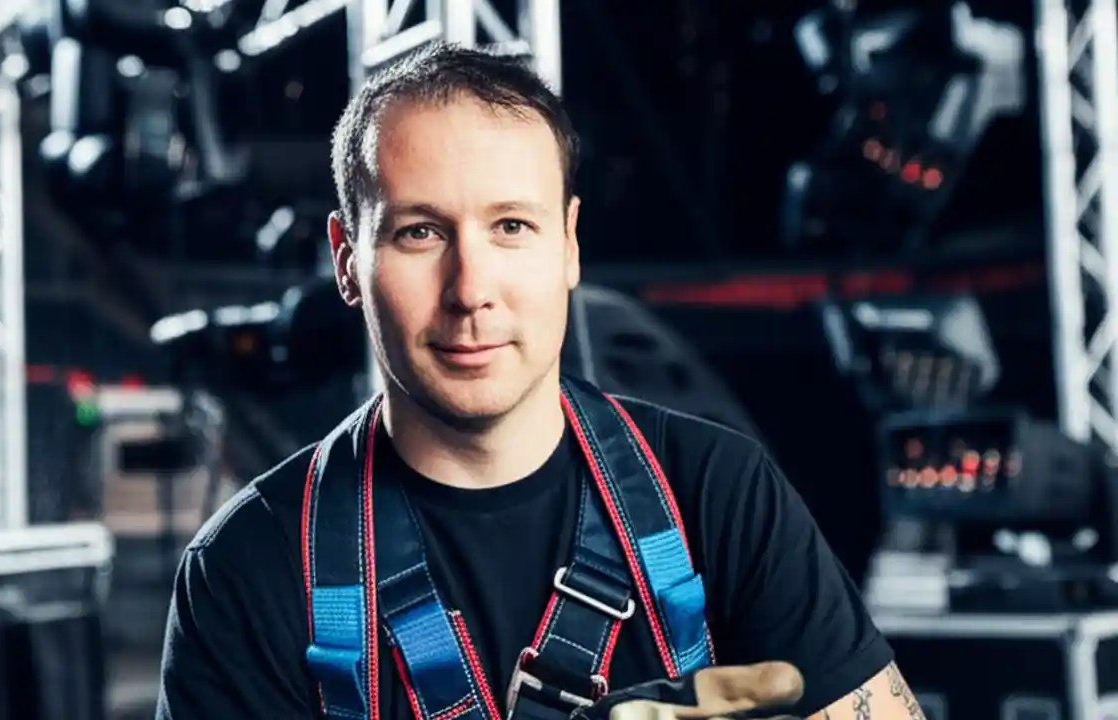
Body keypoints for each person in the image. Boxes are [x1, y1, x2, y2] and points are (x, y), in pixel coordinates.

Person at [156, 42, 926, 720]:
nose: (470, 290)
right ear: (347, 260)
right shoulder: (246, 569)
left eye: (511, 227)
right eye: (420, 232)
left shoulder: (717, 496)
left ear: (568, 245)